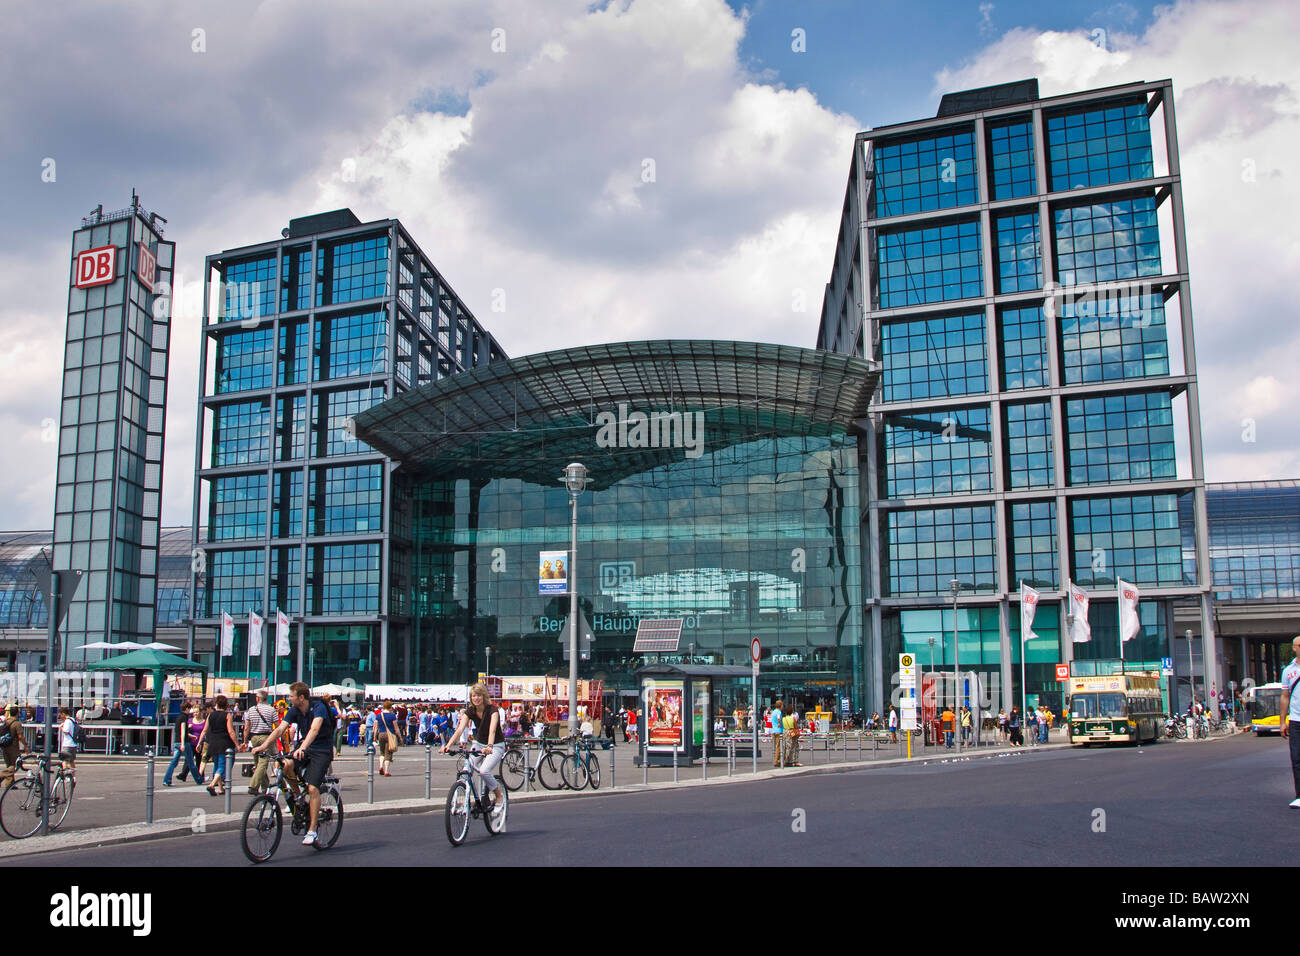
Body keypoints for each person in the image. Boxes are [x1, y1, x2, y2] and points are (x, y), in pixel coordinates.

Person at [251, 682, 336, 846]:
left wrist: (302, 747)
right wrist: (262, 746)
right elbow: (279, 729)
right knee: (285, 765)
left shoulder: (318, 707)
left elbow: (315, 729)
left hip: (321, 750)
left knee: (312, 788)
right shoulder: (294, 710)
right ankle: (298, 796)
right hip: (304, 748)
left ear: (301, 697)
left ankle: (312, 831)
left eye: (291, 696)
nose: (288, 699)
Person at [441, 683, 506, 821]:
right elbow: (459, 730)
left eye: (479, 695)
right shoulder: (470, 711)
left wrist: (489, 746)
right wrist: (447, 745)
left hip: (496, 745)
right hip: (478, 743)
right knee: (466, 770)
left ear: (484, 696)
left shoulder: (492, 710)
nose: (476, 698)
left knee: (483, 771)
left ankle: (499, 795)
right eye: (473, 696)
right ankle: (463, 801)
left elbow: (492, 730)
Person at [196, 695, 238, 796]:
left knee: (216, 764)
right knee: (223, 766)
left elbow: (204, 730)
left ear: (216, 704)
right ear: (226, 704)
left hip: (212, 743)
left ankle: (220, 788)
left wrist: (199, 743)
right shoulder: (227, 715)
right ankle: (212, 784)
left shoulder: (211, 715)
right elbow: (231, 731)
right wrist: (237, 744)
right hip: (224, 743)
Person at [242, 690, 279, 795]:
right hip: (266, 737)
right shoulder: (271, 710)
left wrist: (245, 741)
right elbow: (277, 727)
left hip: (254, 737)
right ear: (266, 699)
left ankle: (265, 788)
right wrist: (280, 739)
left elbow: (246, 727)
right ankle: (253, 786)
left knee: (258, 763)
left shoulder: (251, 710)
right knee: (262, 763)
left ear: (257, 698)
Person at [1279, 636, 1300, 808]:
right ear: (1294, 648)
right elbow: (1285, 697)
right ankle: (1299, 795)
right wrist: (1282, 721)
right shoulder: (1288, 671)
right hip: (1295, 720)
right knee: (1297, 757)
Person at [163, 701, 203, 787]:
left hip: (176, 742)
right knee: (191, 763)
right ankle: (199, 779)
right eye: (190, 709)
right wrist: (183, 744)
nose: (190, 711)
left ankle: (167, 780)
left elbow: (179, 730)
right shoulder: (184, 717)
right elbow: (183, 730)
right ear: (187, 709)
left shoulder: (178, 717)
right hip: (184, 742)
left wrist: (191, 736)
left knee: (173, 762)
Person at [0, 705, 28, 789]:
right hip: (13, 747)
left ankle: (10, 784)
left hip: (4, 746)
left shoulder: (6, 721)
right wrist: (26, 745)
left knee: (9, 765)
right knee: (16, 765)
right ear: (17, 713)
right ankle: (1, 775)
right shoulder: (17, 723)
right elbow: (20, 736)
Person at [377, 701, 400, 776]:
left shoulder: (379, 715)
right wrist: (400, 736)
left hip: (381, 734)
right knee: (388, 752)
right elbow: (396, 727)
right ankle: (386, 771)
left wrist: (374, 736)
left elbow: (376, 726)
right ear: (390, 707)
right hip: (390, 735)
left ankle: (380, 766)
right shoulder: (392, 715)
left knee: (382, 752)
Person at [58, 707, 79, 784]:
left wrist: (61, 728)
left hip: (67, 744)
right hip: (73, 744)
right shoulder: (73, 720)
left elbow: (66, 731)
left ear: (63, 714)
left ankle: (66, 777)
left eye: (60, 714)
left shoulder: (67, 721)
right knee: (72, 761)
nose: (60, 716)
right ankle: (73, 777)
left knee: (65, 761)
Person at [770, 700, 784, 766]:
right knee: (779, 746)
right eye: (782, 705)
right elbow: (779, 718)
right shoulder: (778, 712)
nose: (783, 706)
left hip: (773, 730)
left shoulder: (773, 712)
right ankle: (777, 761)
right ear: (780, 705)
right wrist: (780, 723)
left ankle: (777, 760)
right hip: (779, 731)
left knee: (776, 746)